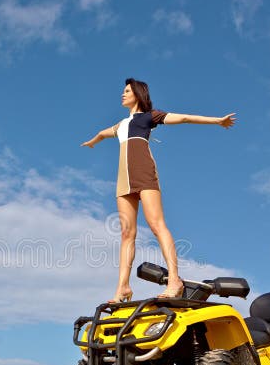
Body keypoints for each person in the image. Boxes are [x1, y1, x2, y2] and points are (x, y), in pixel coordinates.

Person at [81, 78, 236, 302]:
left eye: (127, 91)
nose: (122, 94)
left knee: (156, 225)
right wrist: (93, 141)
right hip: (123, 180)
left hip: (144, 173)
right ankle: (122, 287)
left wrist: (217, 121)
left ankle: (175, 279)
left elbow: (183, 118)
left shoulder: (149, 117)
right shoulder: (121, 125)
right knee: (126, 234)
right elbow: (104, 133)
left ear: (138, 94)